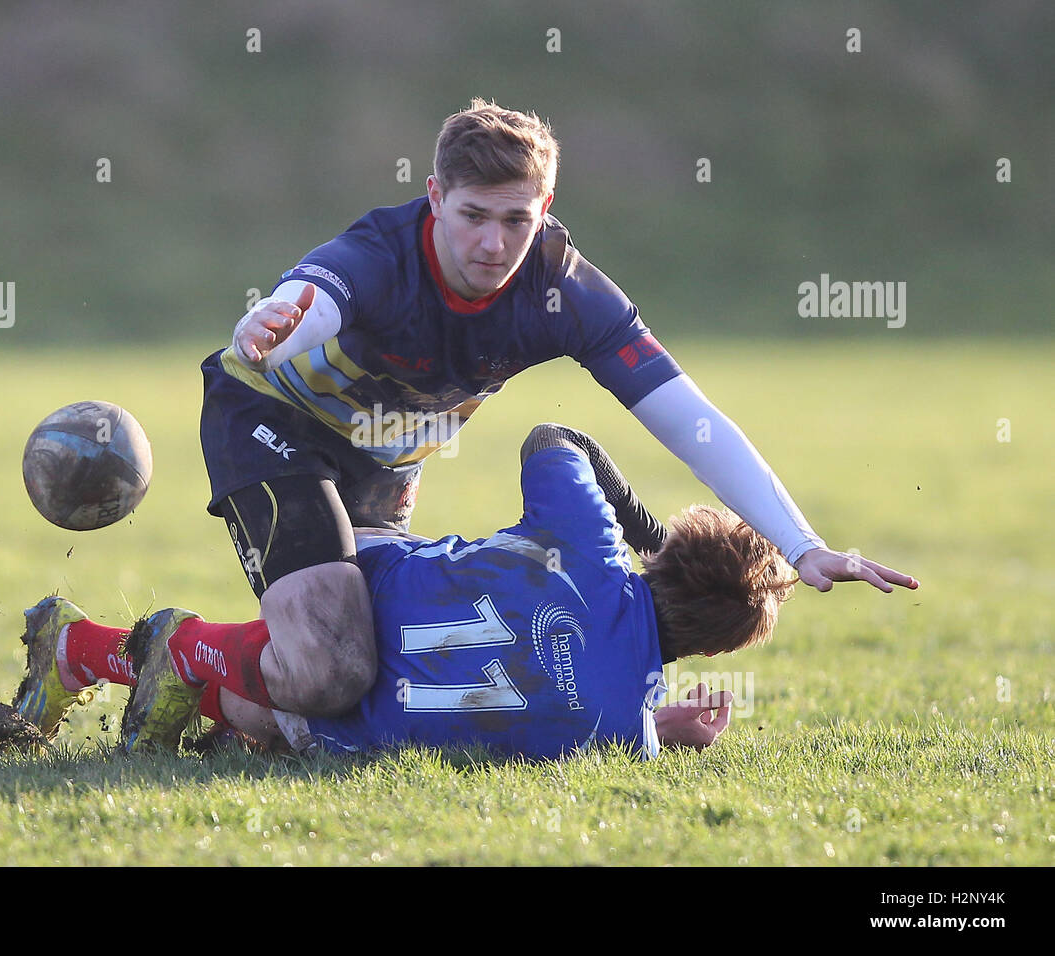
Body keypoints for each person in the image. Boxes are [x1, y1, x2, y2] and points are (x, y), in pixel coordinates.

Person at [191, 98, 917, 729]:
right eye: (473, 215)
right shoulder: (382, 255)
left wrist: (800, 544)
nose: (492, 243)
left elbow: (691, 419)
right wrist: (277, 319)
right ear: (435, 196)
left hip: (384, 465)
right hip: (273, 421)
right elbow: (319, 292)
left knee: (390, 677)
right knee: (330, 668)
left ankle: (223, 710)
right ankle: (156, 652)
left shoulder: (566, 293)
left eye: (516, 220)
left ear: (546, 210)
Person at [1, 423, 909, 758]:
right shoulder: (621, 734)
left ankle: (123, 647)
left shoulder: (597, 548)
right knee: (269, 714)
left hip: (356, 577)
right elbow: (589, 705)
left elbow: (555, 435)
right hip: (342, 731)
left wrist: (643, 537)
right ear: (714, 647)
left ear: (664, 559)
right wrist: (661, 729)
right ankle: (142, 662)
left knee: (261, 693)